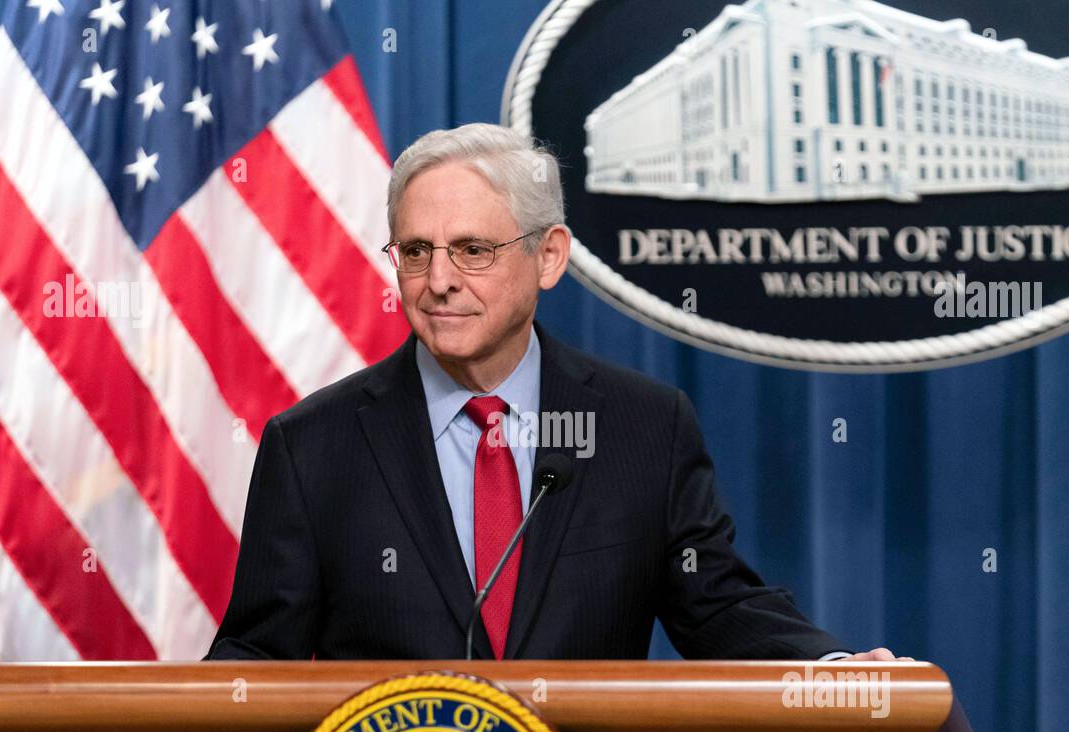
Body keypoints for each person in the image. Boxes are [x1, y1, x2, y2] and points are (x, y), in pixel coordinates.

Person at [204, 123, 910, 664]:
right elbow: (259, 660)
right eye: (416, 251)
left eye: (472, 250)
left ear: (549, 257)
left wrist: (834, 668)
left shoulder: (643, 428)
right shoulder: (315, 445)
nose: (438, 279)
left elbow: (716, 606)